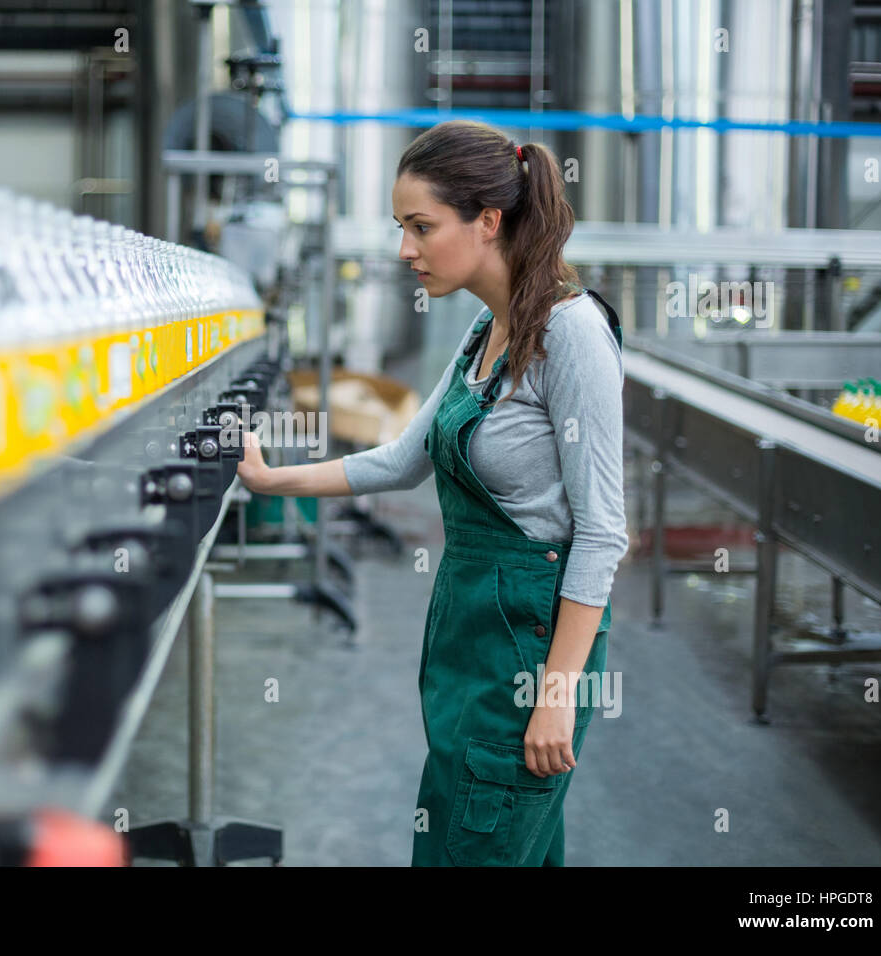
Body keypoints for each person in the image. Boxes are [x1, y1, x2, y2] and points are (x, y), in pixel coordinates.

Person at [237, 120, 628, 867]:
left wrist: (554, 694)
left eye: (421, 226)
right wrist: (267, 477)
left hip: (529, 652)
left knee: (474, 845)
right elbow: (400, 460)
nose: (404, 250)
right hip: (470, 641)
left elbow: (604, 533)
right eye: (400, 227)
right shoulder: (485, 330)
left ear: (488, 221)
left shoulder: (572, 335)